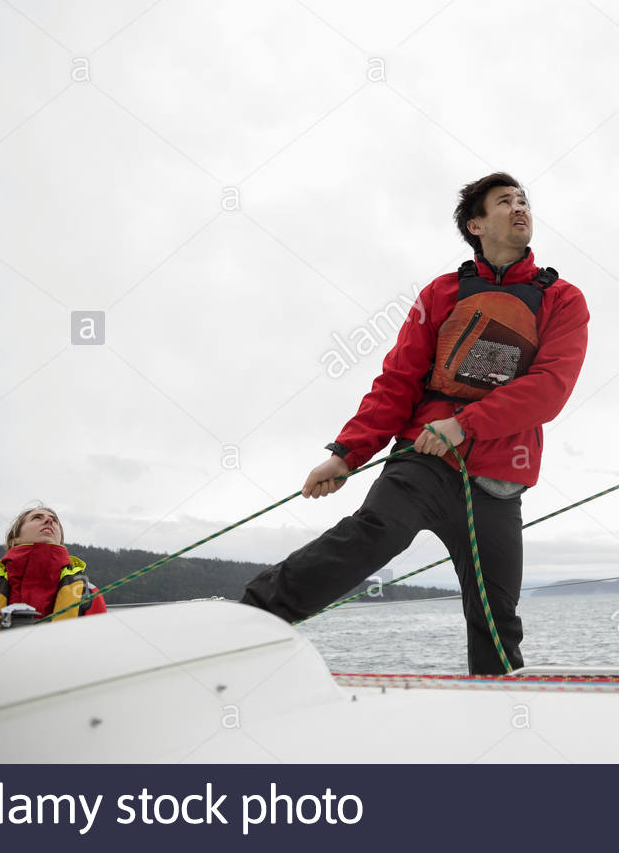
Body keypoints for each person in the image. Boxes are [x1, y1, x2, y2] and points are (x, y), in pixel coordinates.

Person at [242, 172, 590, 674]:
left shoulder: (562, 299)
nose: (520, 208)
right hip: (424, 461)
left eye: (524, 201)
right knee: (374, 532)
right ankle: (253, 616)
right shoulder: (441, 293)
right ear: (476, 224)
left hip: (497, 477)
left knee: (497, 619)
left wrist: (465, 424)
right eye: (504, 202)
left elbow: (550, 388)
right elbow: (398, 381)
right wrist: (345, 455)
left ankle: (499, 717)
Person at [0, 504, 107, 644]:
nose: (49, 520)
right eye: (37, 517)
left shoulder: (88, 594)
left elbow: (101, 653)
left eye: (54, 520)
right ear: (13, 540)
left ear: (60, 540)